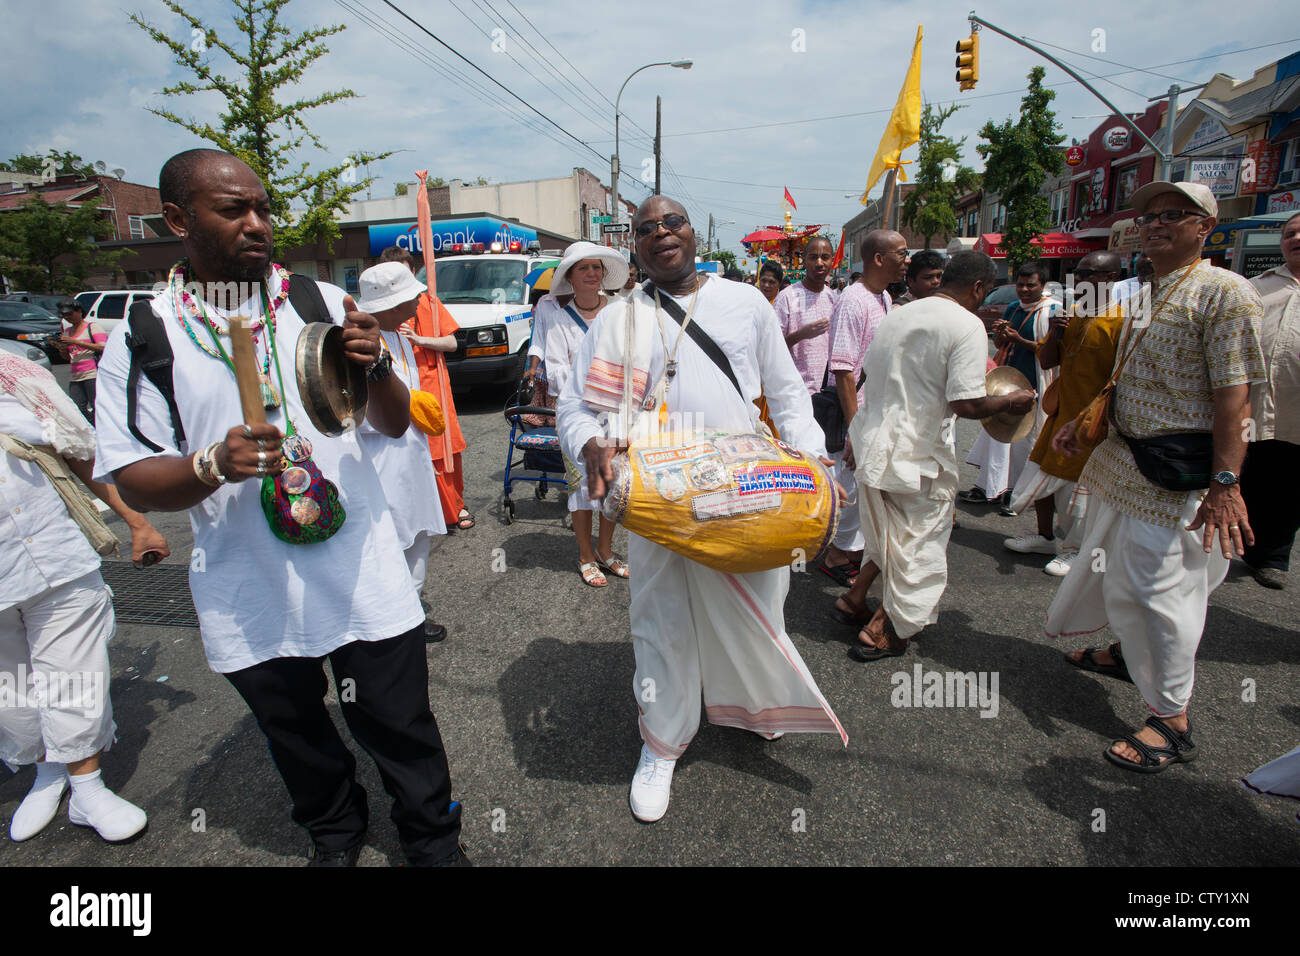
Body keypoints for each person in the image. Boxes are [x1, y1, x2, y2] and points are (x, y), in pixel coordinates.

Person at [92, 149, 467, 865]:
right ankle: (335, 831)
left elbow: (392, 423)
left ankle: (431, 838)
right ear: (177, 219)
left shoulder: (318, 303)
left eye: (263, 208)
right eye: (233, 210)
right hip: (247, 586)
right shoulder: (147, 336)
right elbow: (134, 477)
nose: (258, 223)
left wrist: (378, 360)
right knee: (295, 732)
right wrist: (210, 465)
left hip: (364, 572)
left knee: (400, 722)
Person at [557, 195, 846, 824]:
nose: (661, 234)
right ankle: (662, 741)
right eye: (645, 229)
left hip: (749, 488)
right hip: (656, 496)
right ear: (632, 246)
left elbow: (789, 394)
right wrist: (587, 443)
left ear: (693, 232)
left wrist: (816, 461)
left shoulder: (745, 303)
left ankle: (751, 705)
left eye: (673, 223)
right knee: (660, 618)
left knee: (758, 605)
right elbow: (575, 407)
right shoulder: (616, 318)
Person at [1046, 181, 1264, 773]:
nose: (1155, 224)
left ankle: (1172, 717)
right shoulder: (1146, 290)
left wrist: (1225, 485)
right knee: (1118, 570)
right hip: (1121, 459)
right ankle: (1127, 653)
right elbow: (1126, 376)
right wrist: (1086, 425)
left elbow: (1235, 401)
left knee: (1161, 591)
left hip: (1175, 474)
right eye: (1148, 216)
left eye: (1174, 215)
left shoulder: (1226, 292)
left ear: (1206, 228)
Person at [833, 252, 1036, 659]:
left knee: (892, 535)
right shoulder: (966, 325)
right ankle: (887, 628)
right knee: (920, 544)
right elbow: (968, 405)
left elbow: (868, 378)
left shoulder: (898, 314)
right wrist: (1011, 401)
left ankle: (855, 599)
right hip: (916, 454)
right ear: (978, 287)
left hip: (874, 445)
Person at [2, 350, 170, 843]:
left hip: (56, 558)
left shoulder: (20, 377)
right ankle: (46, 773)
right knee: (10, 693)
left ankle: (86, 786)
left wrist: (137, 522)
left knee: (74, 675)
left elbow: (81, 455)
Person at [1003, 251, 1126, 576]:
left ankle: (1076, 551)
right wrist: (1056, 332)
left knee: (1077, 489)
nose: (1082, 278)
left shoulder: (1123, 318)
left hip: (1094, 420)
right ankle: (1045, 537)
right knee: (1040, 472)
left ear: (1111, 278)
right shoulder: (1070, 314)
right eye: (1079, 272)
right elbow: (1046, 361)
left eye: (1090, 273)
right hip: (1060, 412)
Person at [356, 262, 450, 643]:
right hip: (380, 460)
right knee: (388, 538)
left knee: (417, 534)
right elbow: (356, 414)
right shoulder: (359, 345)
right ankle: (392, 618)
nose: (418, 301)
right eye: (410, 296)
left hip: (411, 454)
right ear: (389, 304)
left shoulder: (397, 335)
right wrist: (410, 402)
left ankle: (412, 607)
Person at [543, 240, 630, 587]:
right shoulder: (558, 320)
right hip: (579, 415)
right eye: (584, 268)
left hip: (619, 413)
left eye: (597, 267)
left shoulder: (622, 310)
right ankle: (585, 554)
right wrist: (594, 386)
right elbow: (556, 371)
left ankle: (606, 551)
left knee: (614, 483)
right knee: (583, 489)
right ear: (570, 277)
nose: (592, 273)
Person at [822, 230, 906, 586]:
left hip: (876, 409)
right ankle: (836, 553)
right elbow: (843, 369)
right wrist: (855, 429)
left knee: (863, 482)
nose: (907, 260)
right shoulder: (853, 300)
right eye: (901, 253)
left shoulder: (884, 297)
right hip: (854, 412)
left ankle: (853, 549)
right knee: (849, 483)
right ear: (878, 258)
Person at [960, 260, 1060, 513]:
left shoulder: (1052, 311)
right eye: (1021, 285)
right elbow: (1002, 343)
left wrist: (1019, 339)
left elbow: (1052, 353)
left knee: (1022, 444)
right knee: (997, 438)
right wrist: (1002, 334)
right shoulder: (1014, 308)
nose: (1024, 290)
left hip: (1032, 385)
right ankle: (988, 486)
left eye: (1030, 285)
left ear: (1043, 285)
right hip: (1006, 383)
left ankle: (1015, 491)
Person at [1241, 210, 1300, 589]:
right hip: (1253, 403)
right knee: (1243, 475)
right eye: (1290, 233)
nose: (1296, 239)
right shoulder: (1257, 287)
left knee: (1289, 485)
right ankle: (1235, 545)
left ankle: (1272, 558)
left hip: (1295, 412)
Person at [402, 257, 473, 532]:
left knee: (444, 450)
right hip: (399, 392)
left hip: (431, 387)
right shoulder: (375, 311)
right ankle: (418, 512)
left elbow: (453, 343)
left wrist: (420, 340)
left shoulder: (428, 303)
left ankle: (455, 506)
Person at [773, 235, 838, 395]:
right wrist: (800, 335)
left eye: (825, 257)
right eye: (813, 257)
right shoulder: (786, 297)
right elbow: (771, 347)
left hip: (827, 394)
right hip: (796, 392)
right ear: (804, 260)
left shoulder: (834, 299)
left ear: (832, 260)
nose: (819, 263)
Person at [56, 302, 107, 424]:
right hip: (76, 374)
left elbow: (103, 347)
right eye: (64, 315)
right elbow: (67, 357)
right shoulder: (67, 331)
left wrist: (75, 341)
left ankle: (100, 428)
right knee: (76, 406)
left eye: (70, 313)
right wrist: (61, 348)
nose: (68, 317)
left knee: (97, 405)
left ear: (79, 312)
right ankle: (92, 426)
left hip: (92, 373)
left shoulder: (92, 327)